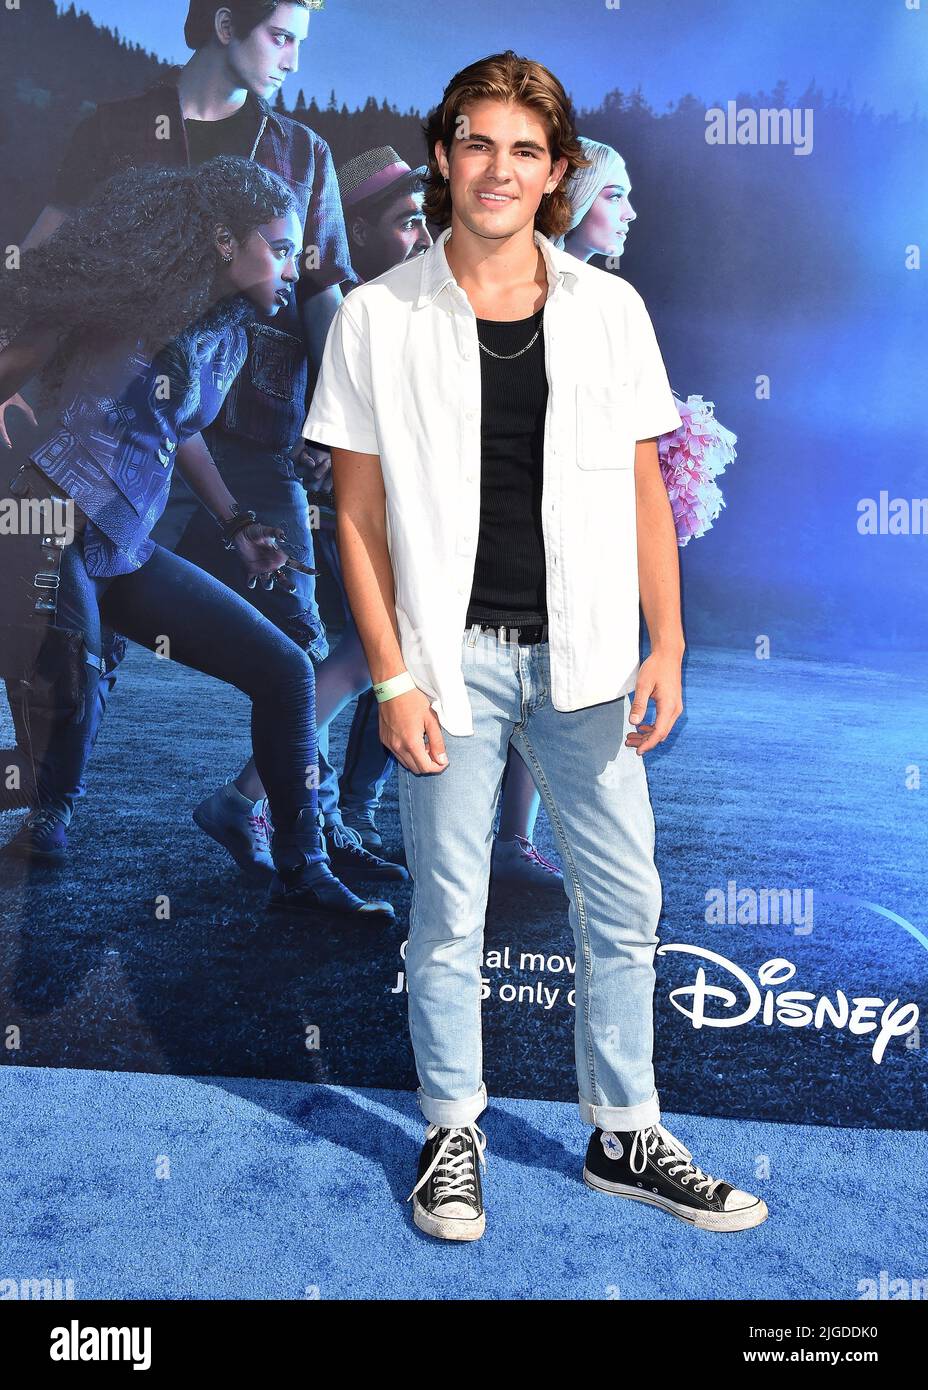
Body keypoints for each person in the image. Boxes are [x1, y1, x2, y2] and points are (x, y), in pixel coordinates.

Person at [302, 50, 769, 1238]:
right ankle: (450, 1134)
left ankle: (625, 1135)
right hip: (447, 667)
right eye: (476, 143)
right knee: (448, 914)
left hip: (591, 664)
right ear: (443, 156)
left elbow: (641, 495)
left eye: (524, 149)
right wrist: (394, 674)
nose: (496, 169)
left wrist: (667, 645)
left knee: (622, 908)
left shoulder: (611, 311)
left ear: (555, 171)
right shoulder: (376, 314)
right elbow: (356, 518)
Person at [0, 0, 372, 884]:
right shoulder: (118, 143)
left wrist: (339, 432)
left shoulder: (299, 161)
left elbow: (322, 298)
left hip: (216, 453)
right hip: (55, 485)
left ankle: (303, 846)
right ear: (223, 24)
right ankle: (51, 800)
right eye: (280, 34)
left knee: (291, 652)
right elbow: (45, 265)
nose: (290, 58)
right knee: (74, 663)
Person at [556, 135, 738, 549]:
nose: (630, 213)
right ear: (573, 196)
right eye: (614, 196)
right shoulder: (539, 295)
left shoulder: (609, 299)